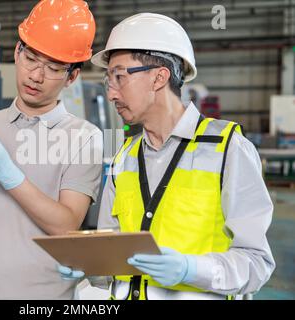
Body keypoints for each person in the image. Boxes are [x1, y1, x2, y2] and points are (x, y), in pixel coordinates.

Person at [58, 13, 275, 300]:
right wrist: (90, 268)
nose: (111, 94)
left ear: (159, 77)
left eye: (119, 77)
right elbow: (112, 258)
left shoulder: (228, 150)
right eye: (108, 80)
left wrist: (190, 269)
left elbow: (257, 263)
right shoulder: (125, 158)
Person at [0, 0, 102, 299]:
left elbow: (66, 226)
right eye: (31, 59)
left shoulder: (84, 137)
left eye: (53, 68)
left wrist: (6, 172)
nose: (36, 76)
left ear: (72, 76)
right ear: (17, 53)